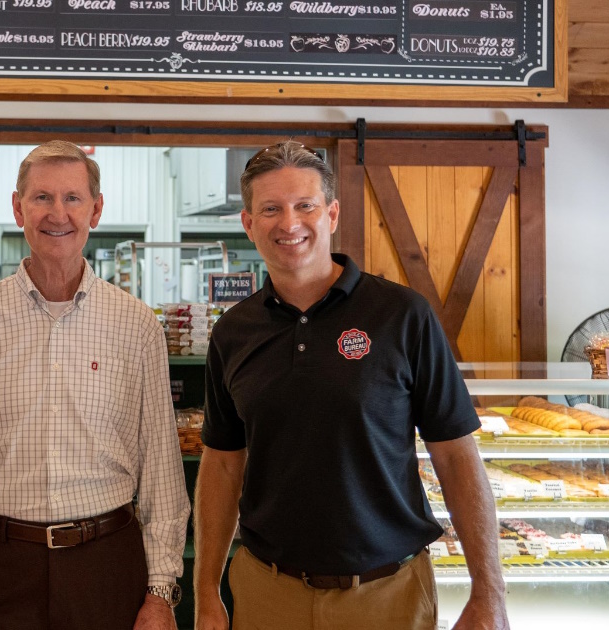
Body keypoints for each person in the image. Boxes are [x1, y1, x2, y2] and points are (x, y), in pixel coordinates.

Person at [193, 141, 508, 630]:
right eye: (270, 209)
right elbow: (222, 464)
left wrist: (489, 593)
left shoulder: (402, 316)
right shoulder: (233, 331)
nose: (289, 223)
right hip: (266, 591)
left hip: (388, 595)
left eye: (305, 206)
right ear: (249, 224)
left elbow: (456, 456)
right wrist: (206, 590)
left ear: (332, 213)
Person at [0, 140, 191, 630]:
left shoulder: (135, 324)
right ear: (18, 207)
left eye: (72, 198)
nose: (56, 213)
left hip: (109, 565)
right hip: (0, 568)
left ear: (96, 210)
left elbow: (162, 471)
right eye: (41, 198)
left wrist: (160, 591)